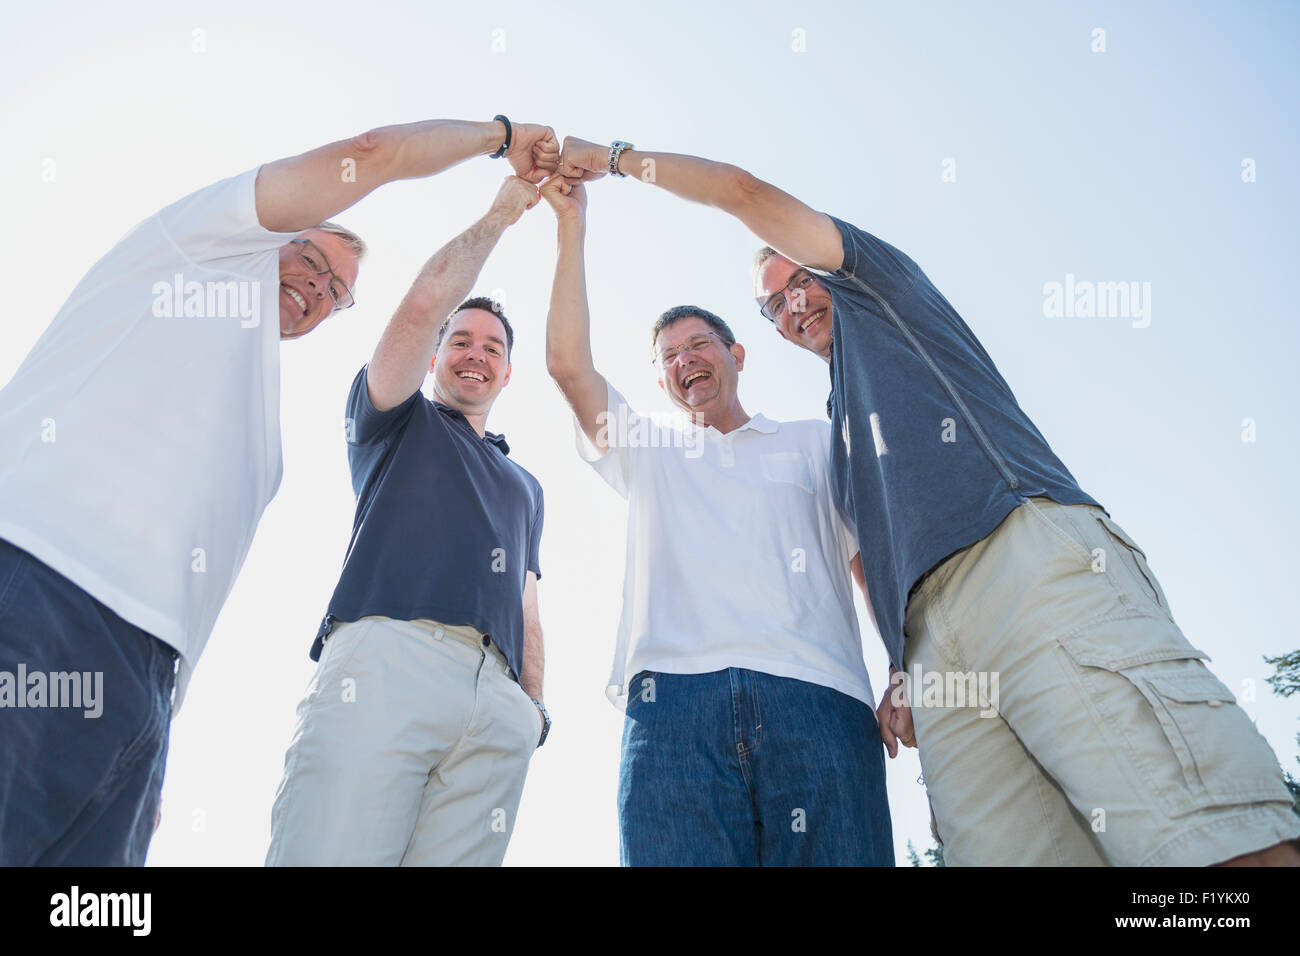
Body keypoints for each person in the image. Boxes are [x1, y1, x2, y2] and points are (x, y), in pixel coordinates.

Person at [553, 137, 1300, 867]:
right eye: (774, 305)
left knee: (1189, 826)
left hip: (1016, 563)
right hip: (929, 644)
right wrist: (902, 665)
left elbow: (741, 191)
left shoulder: (881, 295)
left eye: (801, 280)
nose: (795, 304)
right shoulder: (837, 423)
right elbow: (873, 557)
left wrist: (615, 160)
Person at [0, 114, 557, 866]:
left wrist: (153, 740)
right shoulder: (203, 250)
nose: (318, 286)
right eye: (311, 257)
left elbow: (527, 602)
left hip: (144, 681)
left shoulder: (262, 439)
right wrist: (502, 149)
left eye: (337, 289)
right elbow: (374, 164)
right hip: (39, 579)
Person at [540, 173, 892, 866]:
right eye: (669, 357)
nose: (685, 360)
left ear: (736, 354)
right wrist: (571, 226)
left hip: (820, 701)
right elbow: (568, 366)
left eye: (698, 344)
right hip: (674, 709)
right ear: (662, 382)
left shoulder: (814, 442)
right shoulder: (646, 451)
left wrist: (903, 671)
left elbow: (867, 567)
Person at [266, 175, 548, 867]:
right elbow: (423, 306)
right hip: (390, 658)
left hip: (497, 703)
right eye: (461, 340)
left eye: (493, 347)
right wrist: (502, 213)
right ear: (433, 356)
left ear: (508, 372)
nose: (476, 353)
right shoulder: (394, 417)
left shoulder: (527, 486)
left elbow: (527, 605)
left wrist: (531, 709)